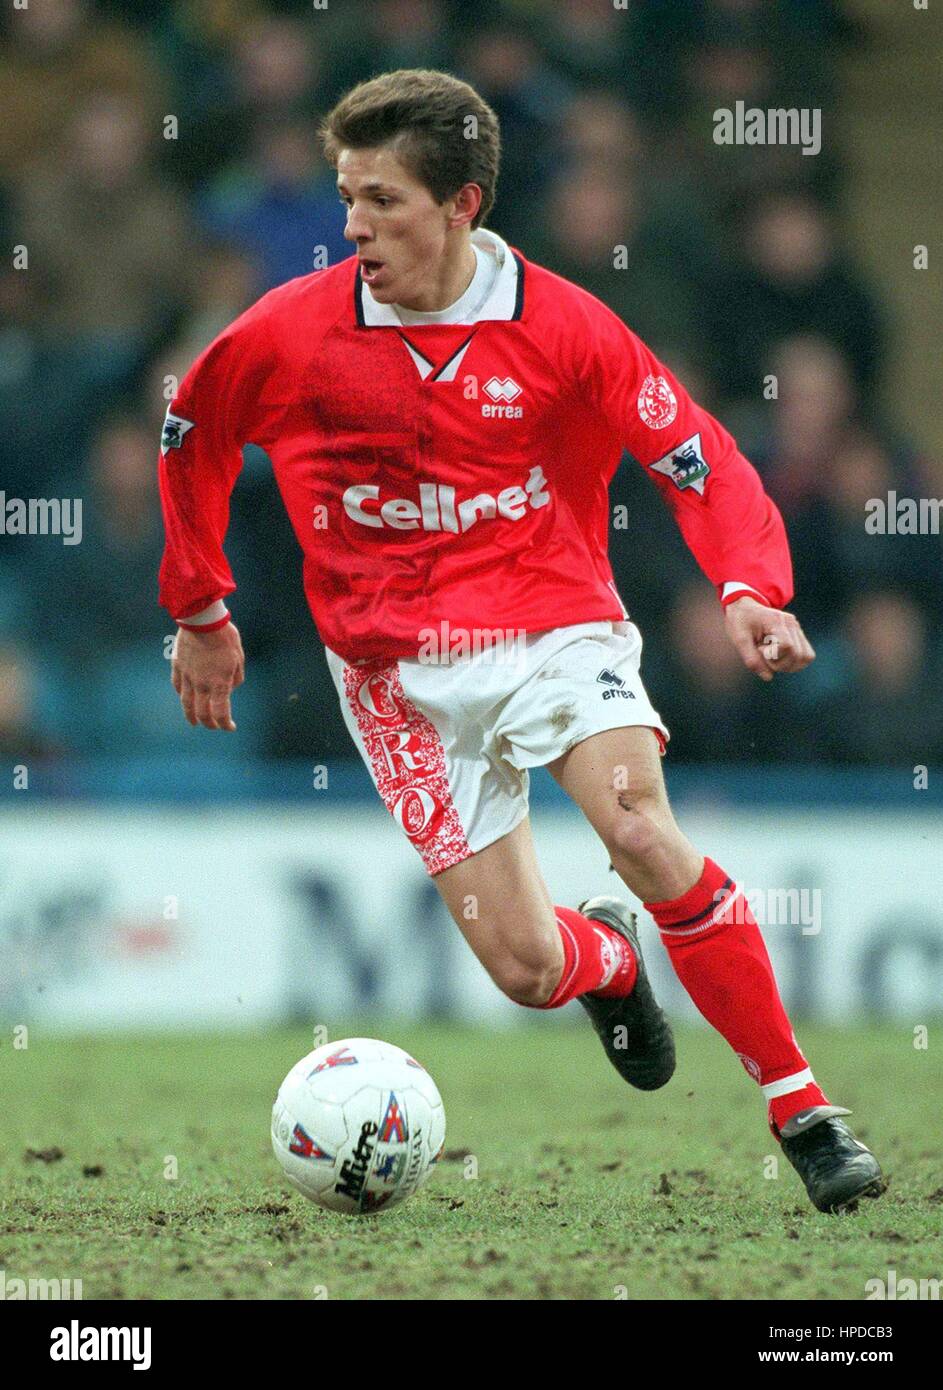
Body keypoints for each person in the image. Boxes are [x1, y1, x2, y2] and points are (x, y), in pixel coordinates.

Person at [158, 68, 883, 1214]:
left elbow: (691, 454)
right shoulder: (290, 332)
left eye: (382, 200)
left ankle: (802, 1108)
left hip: (551, 625)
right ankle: (610, 961)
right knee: (526, 968)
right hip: (392, 673)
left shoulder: (562, 327)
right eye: (348, 197)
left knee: (642, 829)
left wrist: (751, 581)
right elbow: (188, 431)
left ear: (463, 204)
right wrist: (201, 609)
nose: (353, 226)